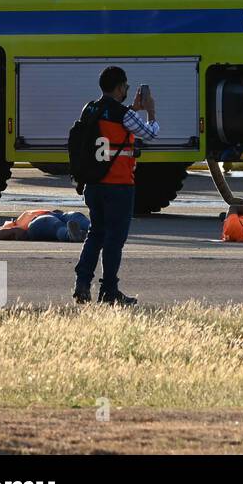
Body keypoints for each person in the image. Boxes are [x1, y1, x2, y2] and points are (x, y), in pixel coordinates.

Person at [73, 66, 159, 305]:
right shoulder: (124, 114)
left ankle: (82, 283)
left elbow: (111, 125)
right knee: (114, 239)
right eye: (126, 87)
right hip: (118, 185)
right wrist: (150, 112)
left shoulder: (90, 109)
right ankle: (109, 291)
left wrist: (131, 109)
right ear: (120, 87)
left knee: (95, 234)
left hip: (94, 185)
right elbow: (150, 134)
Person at [0, 209, 88, 242]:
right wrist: (15, 230)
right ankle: (71, 235)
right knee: (55, 225)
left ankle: (98, 229)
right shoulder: (13, 223)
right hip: (36, 223)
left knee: (75, 215)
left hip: (56, 215)